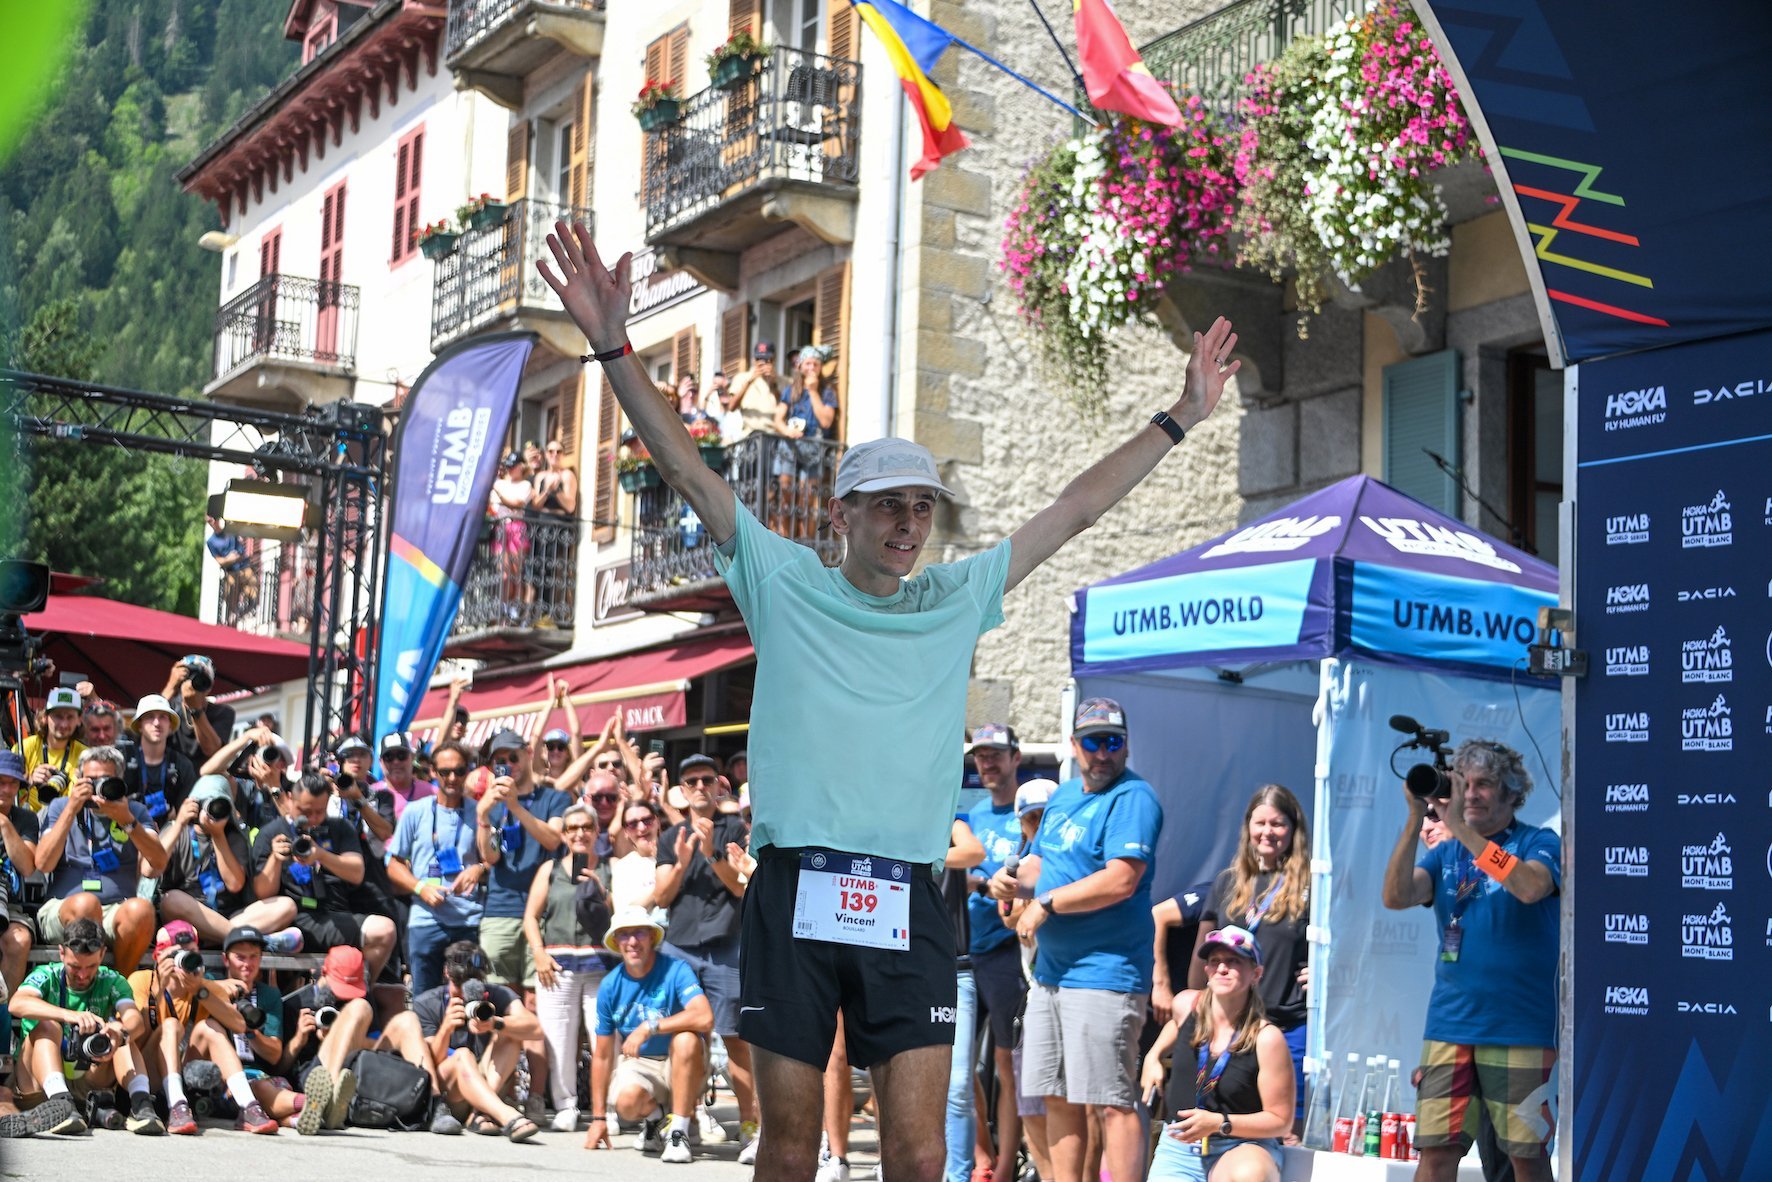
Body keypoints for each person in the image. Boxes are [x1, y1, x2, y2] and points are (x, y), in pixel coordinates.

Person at [540, 218, 1238, 1182]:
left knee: (916, 1151)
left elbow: (1075, 509)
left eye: (921, 507)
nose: (909, 523)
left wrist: (1181, 415)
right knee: (791, 1150)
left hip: (906, 895)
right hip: (795, 886)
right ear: (843, 514)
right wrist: (614, 346)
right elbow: (685, 470)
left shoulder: (956, 597)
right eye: (889, 505)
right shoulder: (783, 579)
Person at [991, 698, 1162, 1182]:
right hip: (1050, 976)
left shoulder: (1134, 798)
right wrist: (1009, 880)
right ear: (1073, 745)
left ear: (1126, 745)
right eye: (1093, 742)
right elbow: (1043, 865)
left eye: (1113, 742)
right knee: (1055, 1097)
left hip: (1104, 974)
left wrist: (1045, 904)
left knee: (1112, 1102)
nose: (1102, 752)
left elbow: (1121, 880)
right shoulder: (1064, 796)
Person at [1382, 741, 1559, 1182]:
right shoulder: (1446, 853)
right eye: (1464, 783)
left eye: (1484, 784)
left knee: (1527, 1158)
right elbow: (1396, 896)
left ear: (1511, 793)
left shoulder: (1538, 841)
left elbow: (1529, 887)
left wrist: (1460, 827)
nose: (1471, 793)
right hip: (1450, 1025)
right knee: (1436, 1155)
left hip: (1520, 1028)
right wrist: (1414, 817)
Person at [1184, 785, 1312, 1122]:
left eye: (1278, 824)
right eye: (1261, 823)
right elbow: (1200, 959)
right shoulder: (1226, 883)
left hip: (1286, 1025)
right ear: (1248, 827)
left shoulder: (1312, 885)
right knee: (1220, 1122)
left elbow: (1340, 947)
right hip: (1230, 1031)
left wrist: (1324, 971)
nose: (1268, 832)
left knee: (1283, 1127)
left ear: (1294, 829)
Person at [653, 752, 754, 1152]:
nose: (699, 787)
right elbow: (662, 896)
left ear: (718, 786)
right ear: (681, 791)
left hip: (726, 946)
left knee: (736, 1039)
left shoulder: (737, 829)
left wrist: (711, 851)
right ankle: (684, 1125)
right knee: (685, 1039)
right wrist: (681, 864)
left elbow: (741, 888)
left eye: (707, 780)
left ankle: (750, 1127)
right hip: (679, 948)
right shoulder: (670, 836)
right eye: (692, 782)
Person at [1140, 927, 1293, 1182]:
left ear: (1256, 974)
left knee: (1249, 1174)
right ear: (1207, 971)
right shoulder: (1186, 1005)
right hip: (1179, 1148)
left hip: (1239, 1146)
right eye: (1215, 961)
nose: (1222, 968)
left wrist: (1219, 1123)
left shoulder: (1267, 1038)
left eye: (1233, 961)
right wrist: (1153, 1055)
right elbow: (1176, 1025)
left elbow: (1281, 1120)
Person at [125, 921, 280, 1135]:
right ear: (158, 956)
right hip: (146, 1076)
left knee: (210, 1026)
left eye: (191, 953)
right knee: (171, 1025)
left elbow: (239, 1025)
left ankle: (248, 1106)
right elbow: (134, 1037)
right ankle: (176, 1105)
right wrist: (158, 991)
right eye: (177, 954)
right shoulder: (142, 980)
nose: (184, 960)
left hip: (183, 1075)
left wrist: (200, 991)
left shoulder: (202, 985)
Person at [585, 908, 714, 1162]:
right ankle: (657, 1118)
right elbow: (602, 1056)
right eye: (624, 935)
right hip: (640, 1062)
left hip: (681, 1060)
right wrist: (599, 1118)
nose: (632, 941)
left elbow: (705, 1017)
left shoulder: (676, 969)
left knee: (686, 1040)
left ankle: (679, 1132)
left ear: (652, 937)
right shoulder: (610, 985)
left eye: (639, 933)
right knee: (626, 1103)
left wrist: (650, 1026)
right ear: (616, 942)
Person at [11, 916, 158, 1135]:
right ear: (62, 953)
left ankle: (142, 1105)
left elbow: (135, 1020)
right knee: (48, 1026)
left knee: (122, 1032)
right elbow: (16, 1003)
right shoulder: (46, 974)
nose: (82, 974)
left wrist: (119, 1031)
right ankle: (61, 1103)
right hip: (37, 1083)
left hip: (89, 1078)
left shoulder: (112, 980)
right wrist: (70, 1016)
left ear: (102, 954)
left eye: (91, 966)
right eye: (74, 967)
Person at [245, 773, 398, 978]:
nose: (312, 818)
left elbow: (356, 873)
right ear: (289, 799)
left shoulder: (339, 827)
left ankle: (360, 988)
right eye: (305, 811)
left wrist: (321, 855)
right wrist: (275, 859)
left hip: (334, 916)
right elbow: (263, 894)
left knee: (385, 931)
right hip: (293, 919)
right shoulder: (271, 833)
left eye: (319, 811)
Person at [962, 722, 1030, 1182]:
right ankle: (982, 1156)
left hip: (1007, 952)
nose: (987, 763)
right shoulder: (971, 816)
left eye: (996, 755)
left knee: (1007, 1063)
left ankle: (1006, 1164)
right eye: (981, 756)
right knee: (958, 1065)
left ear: (1015, 758)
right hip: (966, 952)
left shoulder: (1029, 812)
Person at [37, 745, 168, 972]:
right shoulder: (60, 806)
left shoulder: (134, 811)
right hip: (64, 911)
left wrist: (127, 820)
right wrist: (72, 808)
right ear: (78, 778)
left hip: (116, 913)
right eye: (91, 780)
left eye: (105, 780)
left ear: (119, 781)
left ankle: (118, 983)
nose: (97, 786)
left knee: (142, 910)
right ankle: (83, 981)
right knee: (86, 904)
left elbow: (158, 862)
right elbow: (43, 863)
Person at [523, 804, 613, 1131]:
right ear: (563, 834)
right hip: (556, 966)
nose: (580, 834)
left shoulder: (610, 867)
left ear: (596, 831)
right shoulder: (550, 869)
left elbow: (621, 913)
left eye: (586, 827)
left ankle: (607, 1109)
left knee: (603, 1037)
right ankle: (565, 1105)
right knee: (558, 1040)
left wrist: (603, 893)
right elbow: (530, 917)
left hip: (601, 965)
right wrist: (538, 954)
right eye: (573, 828)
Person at [410, 940, 544, 1140]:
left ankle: (481, 1111)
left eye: (471, 985)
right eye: (458, 984)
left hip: (488, 1081)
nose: (463, 992)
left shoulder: (497, 994)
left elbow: (536, 1029)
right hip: (451, 1094)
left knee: (510, 1035)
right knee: (463, 1055)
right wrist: (446, 1028)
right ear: (446, 973)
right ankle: (505, 1115)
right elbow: (429, 1065)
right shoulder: (427, 1003)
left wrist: (496, 1023)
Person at [388, 740, 487, 997]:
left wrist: (479, 868)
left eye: (459, 771)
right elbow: (393, 864)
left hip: (467, 919)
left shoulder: (480, 812)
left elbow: (494, 858)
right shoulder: (415, 811)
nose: (452, 778)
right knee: (424, 999)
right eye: (445, 772)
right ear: (433, 771)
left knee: (470, 997)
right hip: (425, 919)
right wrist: (420, 888)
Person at [154, 775, 253, 946]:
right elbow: (152, 868)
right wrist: (180, 823)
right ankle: (249, 939)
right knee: (171, 900)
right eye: (207, 802)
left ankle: (227, 935)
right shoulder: (176, 830)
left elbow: (235, 884)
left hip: (227, 914)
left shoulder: (234, 837)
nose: (213, 809)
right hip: (188, 914)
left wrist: (218, 834)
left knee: (285, 906)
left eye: (220, 804)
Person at [769, 349, 840, 536]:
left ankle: (804, 544)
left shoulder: (827, 392)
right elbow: (778, 419)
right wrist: (787, 431)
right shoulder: (791, 390)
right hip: (790, 445)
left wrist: (813, 391)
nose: (812, 368)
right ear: (800, 366)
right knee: (785, 499)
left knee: (807, 502)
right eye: (808, 363)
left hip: (813, 447)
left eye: (816, 364)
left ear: (820, 367)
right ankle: (784, 541)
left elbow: (826, 421)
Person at [120, 694, 199, 825]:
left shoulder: (182, 764)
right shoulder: (123, 758)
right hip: (126, 828)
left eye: (163, 717)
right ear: (139, 725)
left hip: (170, 832)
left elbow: (187, 814)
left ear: (170, 725)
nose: (157, 723)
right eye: (150, 717)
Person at [0, 750, 43, 992]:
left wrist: (4, 823)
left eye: (13, 783)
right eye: (0, 782)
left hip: (11, 905)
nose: (6, 789)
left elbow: (27, 867)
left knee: (19, 940)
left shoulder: (26, 819)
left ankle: (4, 1011)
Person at [20, 685, 86, 812]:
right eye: (58, 716)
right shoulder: (25, 748)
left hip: (69, 817)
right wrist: (29, 781)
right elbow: (6, 790)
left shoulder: (85, 755)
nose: (64, 724)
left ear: (79, 720)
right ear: (45, 717)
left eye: (70, 717)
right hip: (30, 816)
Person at [489, 451, 534, 619]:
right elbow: (493, 506)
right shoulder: (500, 483)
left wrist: (498, 493)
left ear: (521, 467)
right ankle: (504, 608)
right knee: (504, 574)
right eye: (508, 466)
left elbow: (517, 505)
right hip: (501, 528)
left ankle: (515, 608)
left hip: (516, 528)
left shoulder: (525, 485)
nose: (509, 469)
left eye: (513, 466)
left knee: (516, 573)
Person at [610, 798, 662, 914]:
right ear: (625, 832)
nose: (642, 828)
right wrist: (666, 882)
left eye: (647, 820)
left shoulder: (677, 854)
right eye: (633, 824)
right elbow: (625, 912)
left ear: (657, 822)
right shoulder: (623, 868)